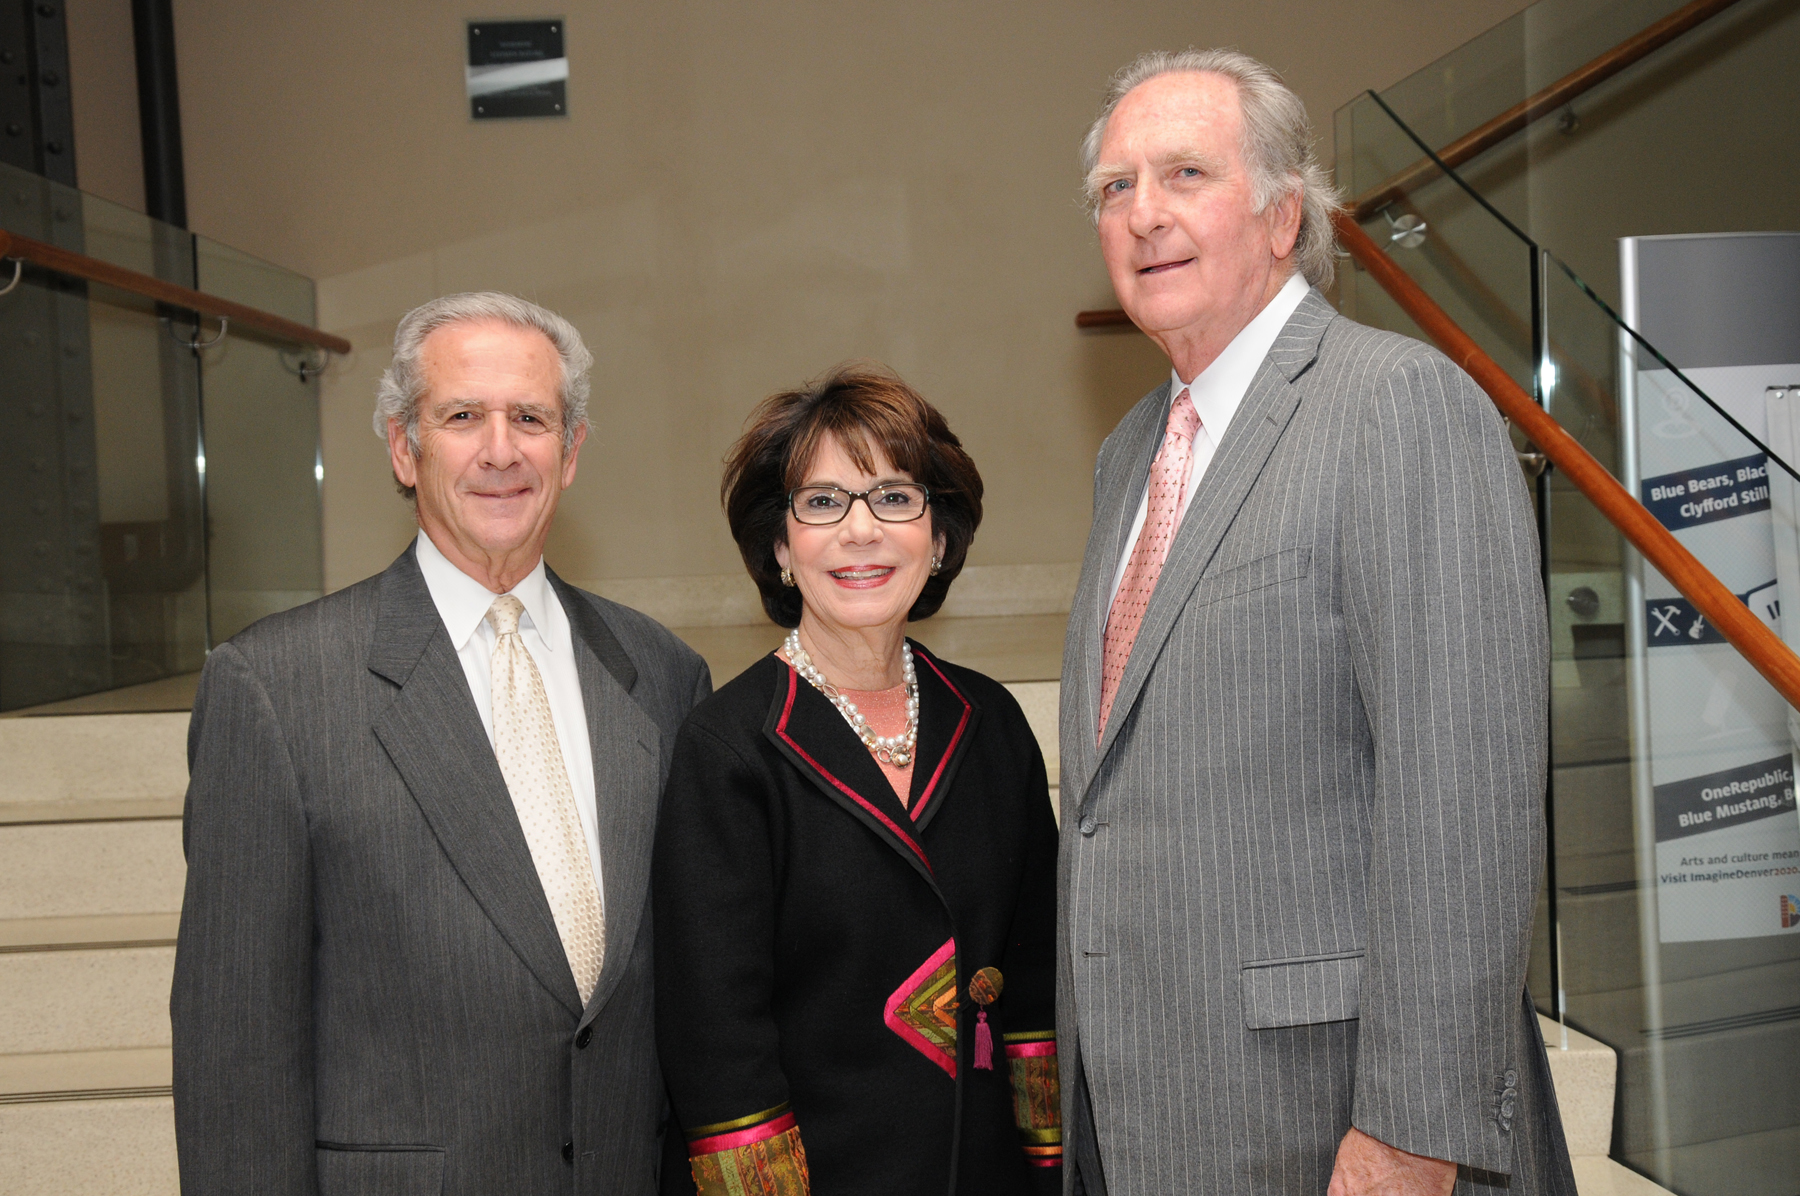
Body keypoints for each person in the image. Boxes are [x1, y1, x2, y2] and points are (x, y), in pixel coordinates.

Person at [1057, 50, 1576, 1196]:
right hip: (1159, 1109)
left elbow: (1463, 800)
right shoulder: (1129, 452)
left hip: (1340, 1121)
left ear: (1282, 213)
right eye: (1114, 188)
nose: (1143, 214)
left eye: (1185, 173)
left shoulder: (1399, 404)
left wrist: (1411, 1127)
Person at [171, 293, 711, 1195]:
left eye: (530, 418)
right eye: (462, 416)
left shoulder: (661, 674)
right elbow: (237, 1054)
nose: (501, 449)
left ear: (569, 453)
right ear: (402, 447)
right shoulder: (273, 691)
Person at [652, 366, 1062, 1195]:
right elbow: (717, 1042)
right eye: (822, 502)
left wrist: (1049, 1170)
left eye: (895, 498)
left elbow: (1036, 985)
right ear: (780, 546)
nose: (861, 531)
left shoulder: (991, 724)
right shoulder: (730, 747)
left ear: (939, 538)